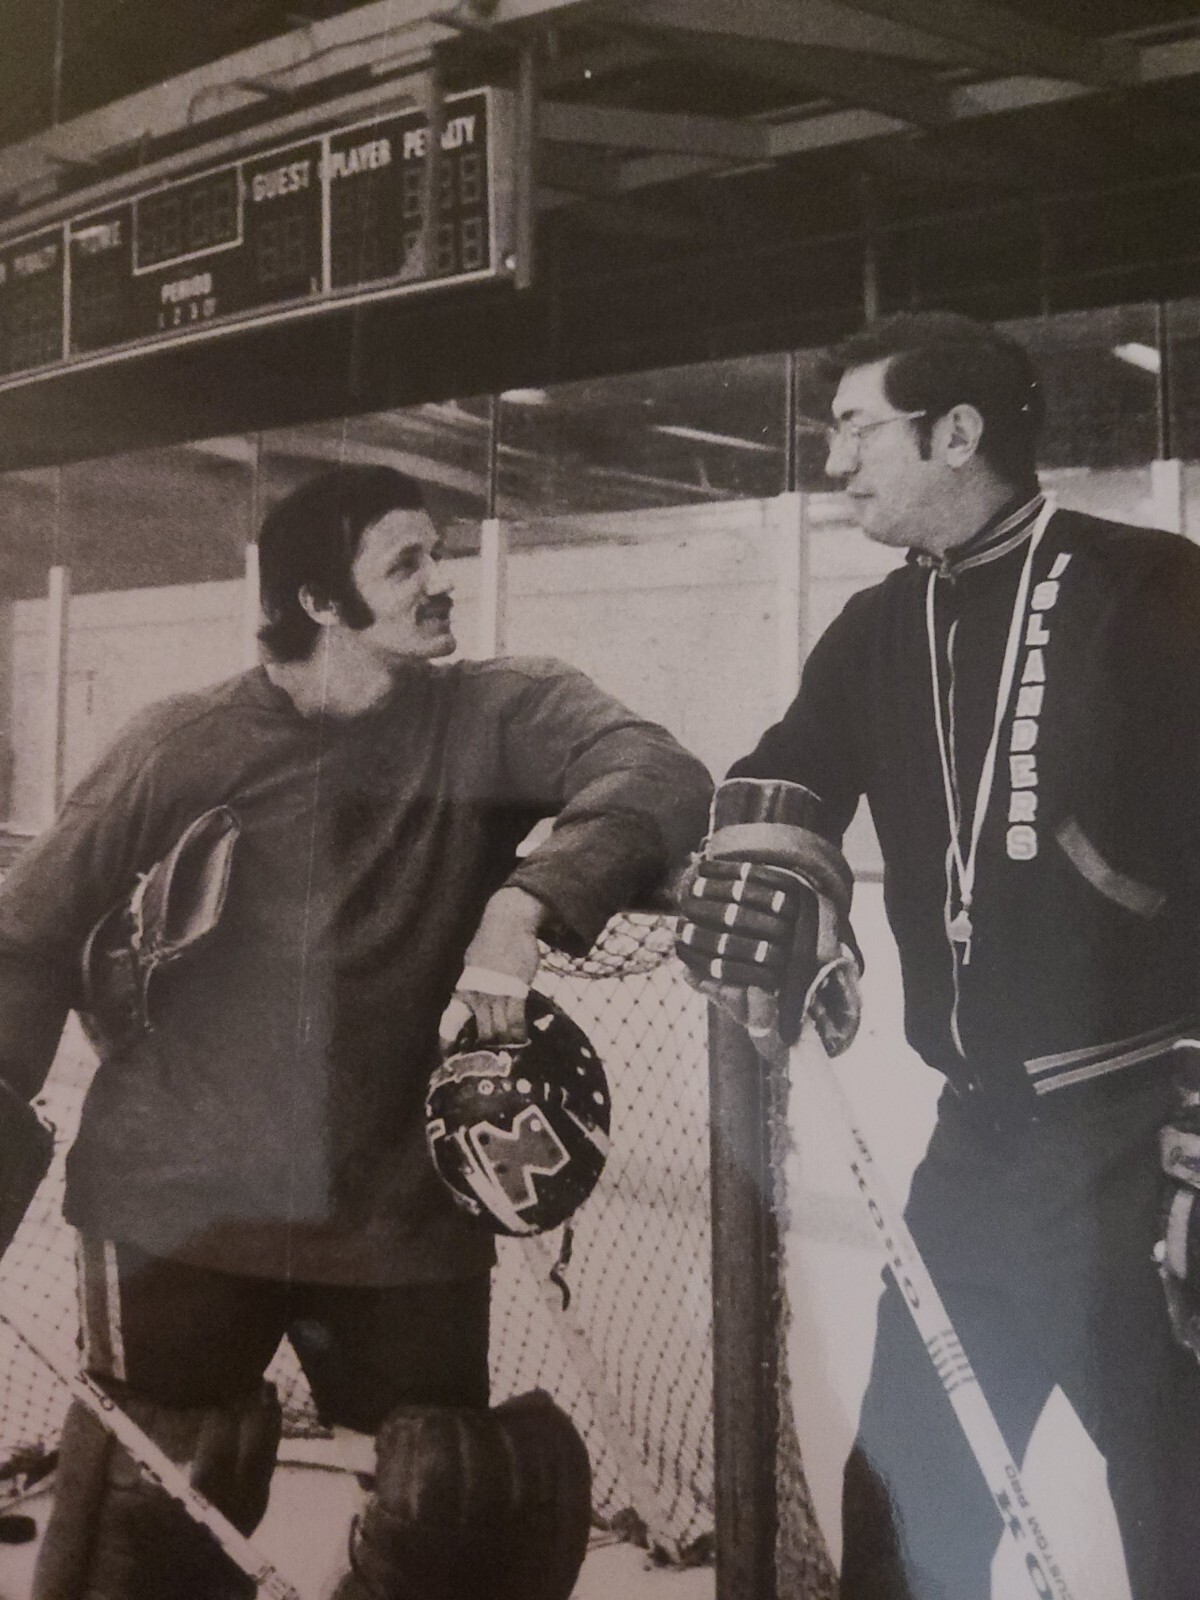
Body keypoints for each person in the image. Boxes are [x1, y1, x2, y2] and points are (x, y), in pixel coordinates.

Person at [0, 463, 712, 1599]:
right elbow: (25, 938)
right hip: (179, 1198)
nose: (443, 584)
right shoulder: (179, 742)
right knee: (149, 1518)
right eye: (407, 564)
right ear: (321, 601)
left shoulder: (496, 711)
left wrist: (530, 898)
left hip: (394, 1208)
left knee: (460, 1508)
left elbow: (660, 770)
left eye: (440, 554)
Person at [675, 311, 1200, 1598]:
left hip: (1139, 1146)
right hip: (975, 1156)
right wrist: (785, 878)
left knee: (1180, 1518)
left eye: (857, 431)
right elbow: (782, 771)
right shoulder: (873, 630)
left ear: (955, 433)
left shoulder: (1154, 587)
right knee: (903, 1527)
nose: (837, 464)